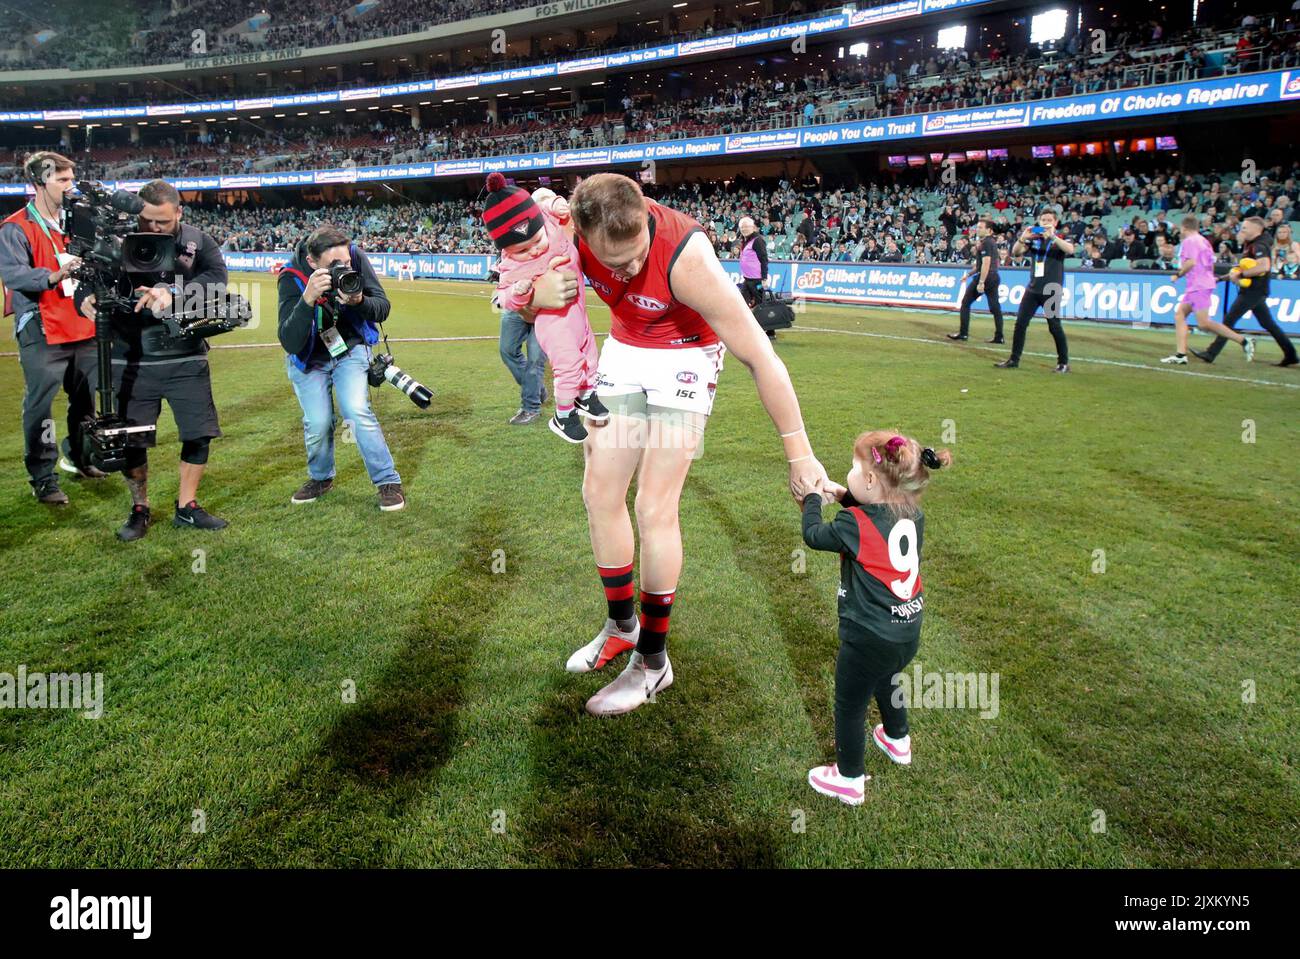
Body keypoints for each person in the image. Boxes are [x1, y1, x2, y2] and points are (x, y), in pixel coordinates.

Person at [527, 172, 830, 716]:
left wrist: (799, 450)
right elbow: (520, 289)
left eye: (637, 253)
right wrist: (533, 299)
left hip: (688, 357)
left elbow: (761, 356)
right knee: (599, 493)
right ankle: (621, 627)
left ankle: (652, 662)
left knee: (654, 505)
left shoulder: (686, 258)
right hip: (624, 346)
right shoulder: (567, 233)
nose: (631, 269)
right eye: (615, 263)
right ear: (583, 232)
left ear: (646, 218)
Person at [799, 430, 951, 806]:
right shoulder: (913, 516)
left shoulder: (854, 526)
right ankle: (898, 740)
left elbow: (815, 535)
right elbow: (878, 522)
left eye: (854, 468)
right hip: (907, 628)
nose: (850, 473)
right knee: (888, 677)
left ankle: (849, 779)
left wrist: (813, 500)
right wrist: (844, 496)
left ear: (870, 480)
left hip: (869, 635)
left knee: (849, 703)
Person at [102, 180, 231, 541]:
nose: (154, 229)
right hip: (130, 356)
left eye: (162, 221)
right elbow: (98, 282)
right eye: (147, 221)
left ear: (178, 212)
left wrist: (172, 291)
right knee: (132, 439)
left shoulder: (198, 241)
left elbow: (218, 280)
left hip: (185, 354)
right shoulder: (120, 241)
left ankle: (186, 507)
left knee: (198, 432)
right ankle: (139, 507)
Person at [277, 225, 407, 510]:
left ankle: (388, 481)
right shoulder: (291, 277)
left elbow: (382, 308)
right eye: (333, 266)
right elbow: (289, 340)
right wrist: (307, 299)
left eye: (345, 262)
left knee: (357, 411)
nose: (342, 268)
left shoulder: (356, 258)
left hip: (349, 348)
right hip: (309, 358)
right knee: (319, 422)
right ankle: (321, 478)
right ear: (312, 263)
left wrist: (359, 301)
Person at [0, 151, 99, 505]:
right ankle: (42, 476)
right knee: (41, 406)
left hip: (81, 322)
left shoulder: (78, 222)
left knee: (86, 398)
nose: (69, 186)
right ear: (40, 182)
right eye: (62, 180)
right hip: (41, 326)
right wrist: (53, 275)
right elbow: (13, 274)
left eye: (71, 179)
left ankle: (78, 456)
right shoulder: (16, 226)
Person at [482, 172, 605, 443]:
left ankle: (531, 406)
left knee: (543, 359)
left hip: (556, 315)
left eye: (536, 243)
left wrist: (557, 203)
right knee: (508, 351)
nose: (535, 251)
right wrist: (523, 294)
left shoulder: (557, 223)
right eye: (523, 250)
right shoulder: (510, 256)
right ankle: (536, 391)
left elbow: (549, 207)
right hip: (519, 308)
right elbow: (502, 295)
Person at [1192, 217, 1299, 367]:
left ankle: (1211, 353)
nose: (1242, 231)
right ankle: (1291, 355)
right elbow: (1243, 268)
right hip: (1255, 290)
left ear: (1256, 229)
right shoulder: (1252, 244)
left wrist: (1240, 276)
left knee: (1229, 321)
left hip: (1253, 291)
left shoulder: (1259, 245)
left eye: (1245, 228)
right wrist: (1222, 279)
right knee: (1268, 324)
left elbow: (1264, 267)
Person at [1163, 215, 1253, 366]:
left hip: (1198, 285)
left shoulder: (1189, 241)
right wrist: (1210, 279)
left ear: (1184, 228)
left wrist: (1177, 275)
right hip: (1200, 284)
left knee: (1204, 323)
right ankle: (1180, 354)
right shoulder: (1204, 241)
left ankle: (1243, 341)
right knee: (1180, 315)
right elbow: (1211, 264)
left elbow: (1190, 262)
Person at [995, 208, 1073, 373]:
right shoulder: (1034, 239)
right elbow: (1016, 252)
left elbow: (1070, 250)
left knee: (1054, 326)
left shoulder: (1060, 239)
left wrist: (1052, 236)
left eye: (1049, 220)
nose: (1045, 223)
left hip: (1052, 289)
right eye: (1043, 220)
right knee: (1020, 324)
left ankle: (1063, 362)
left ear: (1055, 222)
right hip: (1033, 288)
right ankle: (1014, 359)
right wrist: (1022, 238)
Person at [494, 283, 549, 425]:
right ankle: (537, 388)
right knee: (507, 350)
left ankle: (530, 408)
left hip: (547, 310)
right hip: (516, 306)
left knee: (535, 359)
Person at [947, 218, 1004, 344]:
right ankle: (999, 336)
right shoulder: (988, 242)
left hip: (987, 277)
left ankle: (963, 333)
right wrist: (968, 274)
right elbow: (979, 265)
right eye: (977, 227)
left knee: (965, 303)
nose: (978, 229)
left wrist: (981, 282)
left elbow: (986, 263)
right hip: (994, 277)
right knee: (995, 308)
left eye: (980, 227)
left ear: (989, 230)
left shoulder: (987, 243)